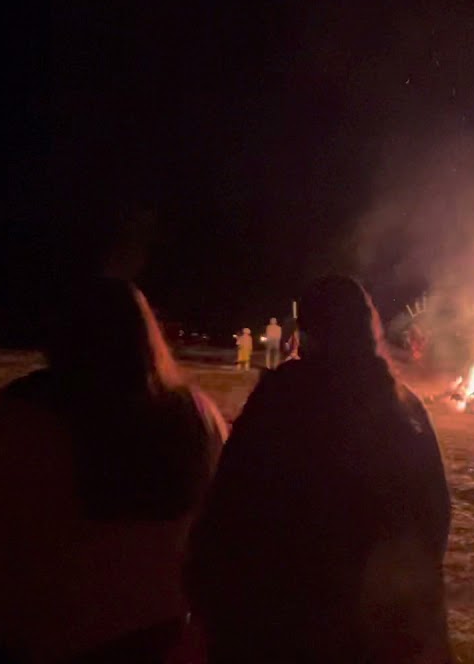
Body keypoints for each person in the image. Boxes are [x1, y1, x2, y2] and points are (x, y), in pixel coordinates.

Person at [0, 278, 228, 662]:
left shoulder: (24, 421)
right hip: (171, 638)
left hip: (60, 642)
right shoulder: (195, 414)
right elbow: (223, 526)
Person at [187, 276, 451, 664]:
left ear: (306, 329)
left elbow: (229, 507)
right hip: (375, 630)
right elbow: (434, 515)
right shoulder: (402, 405)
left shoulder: (280, 399)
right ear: (369, 329)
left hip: (285, 622)